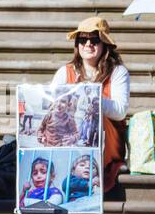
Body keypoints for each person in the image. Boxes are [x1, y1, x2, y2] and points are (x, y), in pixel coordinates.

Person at [49, 17, 130, 194]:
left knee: (93, 116)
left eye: (94, 40)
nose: (88, 44)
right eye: (82, 40)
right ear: (77, 44)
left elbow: (120, 111)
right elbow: (50, 104)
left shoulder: (118, 72)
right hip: (70, 136)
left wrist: (92, 95)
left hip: (106, 139)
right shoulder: (65, 72)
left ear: (104, 44)